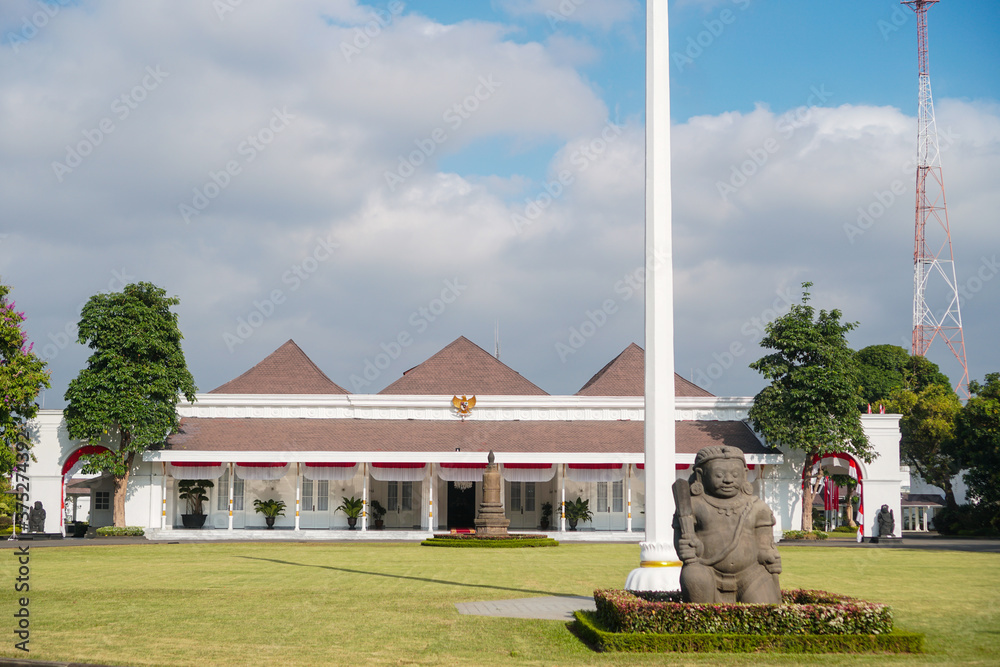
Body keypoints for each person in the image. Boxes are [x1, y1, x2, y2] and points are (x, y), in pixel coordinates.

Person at [674, 445, 782, 604]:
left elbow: (765, 545)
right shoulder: (693, 505)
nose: (728, 480)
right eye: (719, 475)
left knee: (764, 607)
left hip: (751, 573)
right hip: (708, 571)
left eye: (735, 474)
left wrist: (769, 555)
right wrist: (687, 548)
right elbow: (682, 541)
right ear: (700, 475)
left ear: (744, 474)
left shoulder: (757, 507)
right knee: (693, 575)